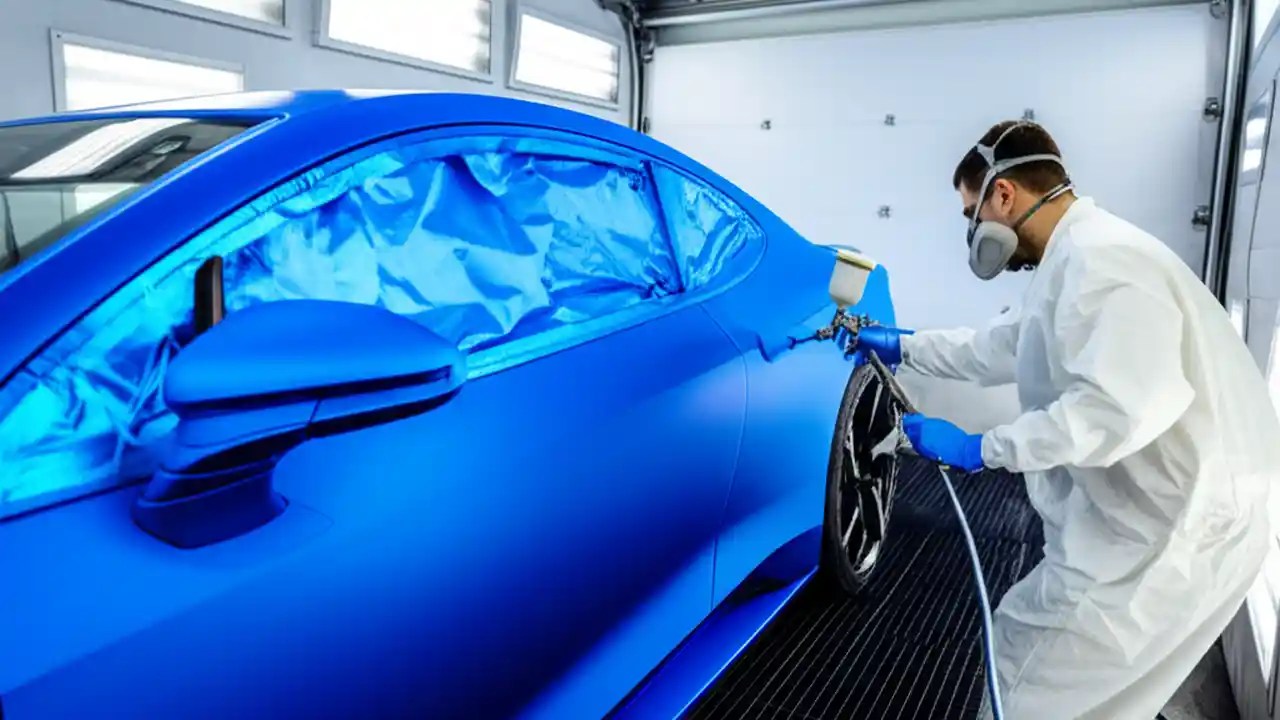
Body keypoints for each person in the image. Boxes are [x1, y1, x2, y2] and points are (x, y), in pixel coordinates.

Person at [853, 120, 1280, 719]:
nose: (976, 234)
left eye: (972, 215)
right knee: (1105, 687)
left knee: (1028, 672)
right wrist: (906, 346)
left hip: (1169, 537)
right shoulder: (1076, 256)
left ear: (1005, 195)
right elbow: (1003, 347)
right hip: (1154, 520)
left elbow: (1113, 410)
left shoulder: (1106, 264)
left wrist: (984, 448)